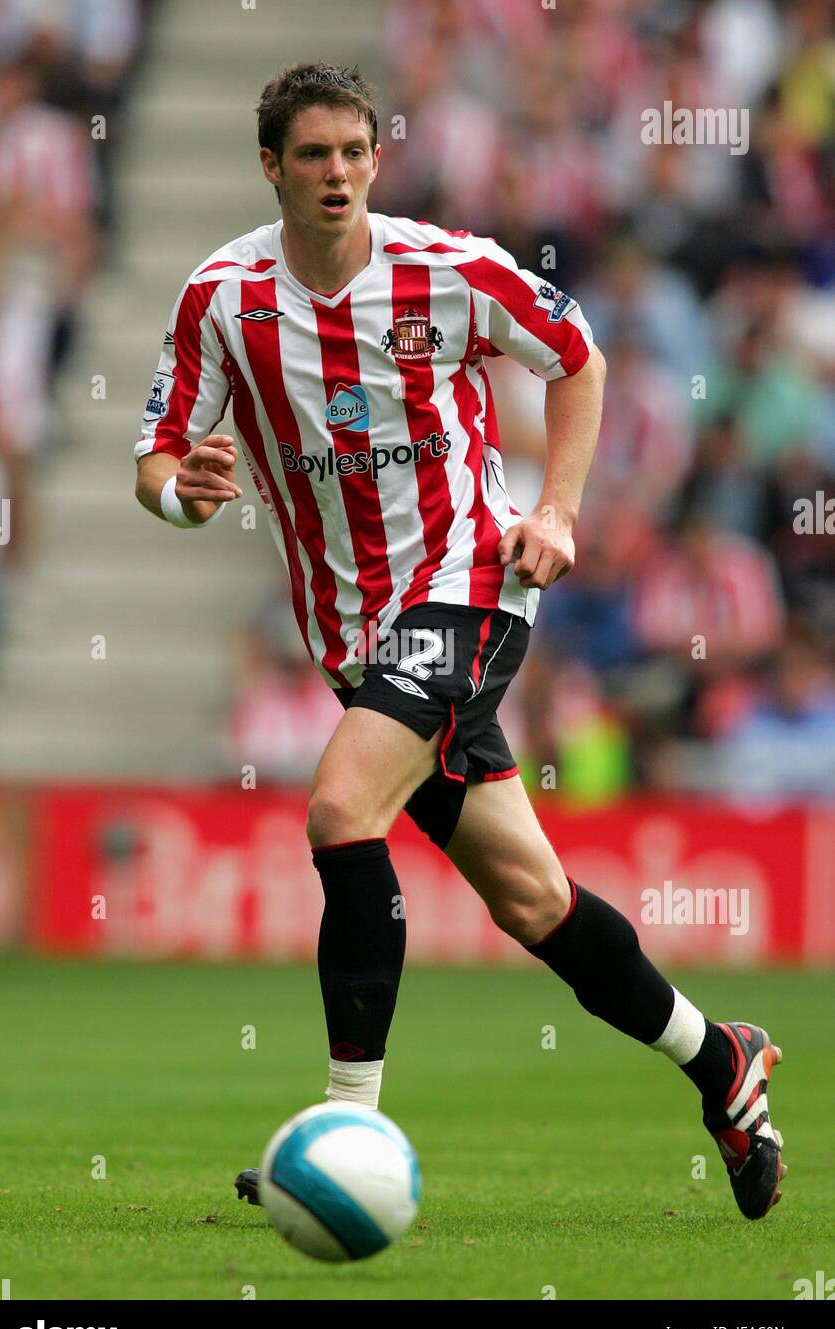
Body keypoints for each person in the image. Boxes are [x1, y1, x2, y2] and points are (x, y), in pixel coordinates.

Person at [133, 63, 785, 1223]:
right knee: (532, 901)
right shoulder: (221, 298)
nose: (338, 172)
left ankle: (349, 1126)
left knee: (340, 812)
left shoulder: (451, 267)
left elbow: (575, 359)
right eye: (313, 155)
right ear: (270, 166)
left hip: (471, 583)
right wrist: (183, 495)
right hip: (353, 638)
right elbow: (159, 460)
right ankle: (717, 1059)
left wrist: (559, 508)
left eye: (354, 151)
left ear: (374, 157)